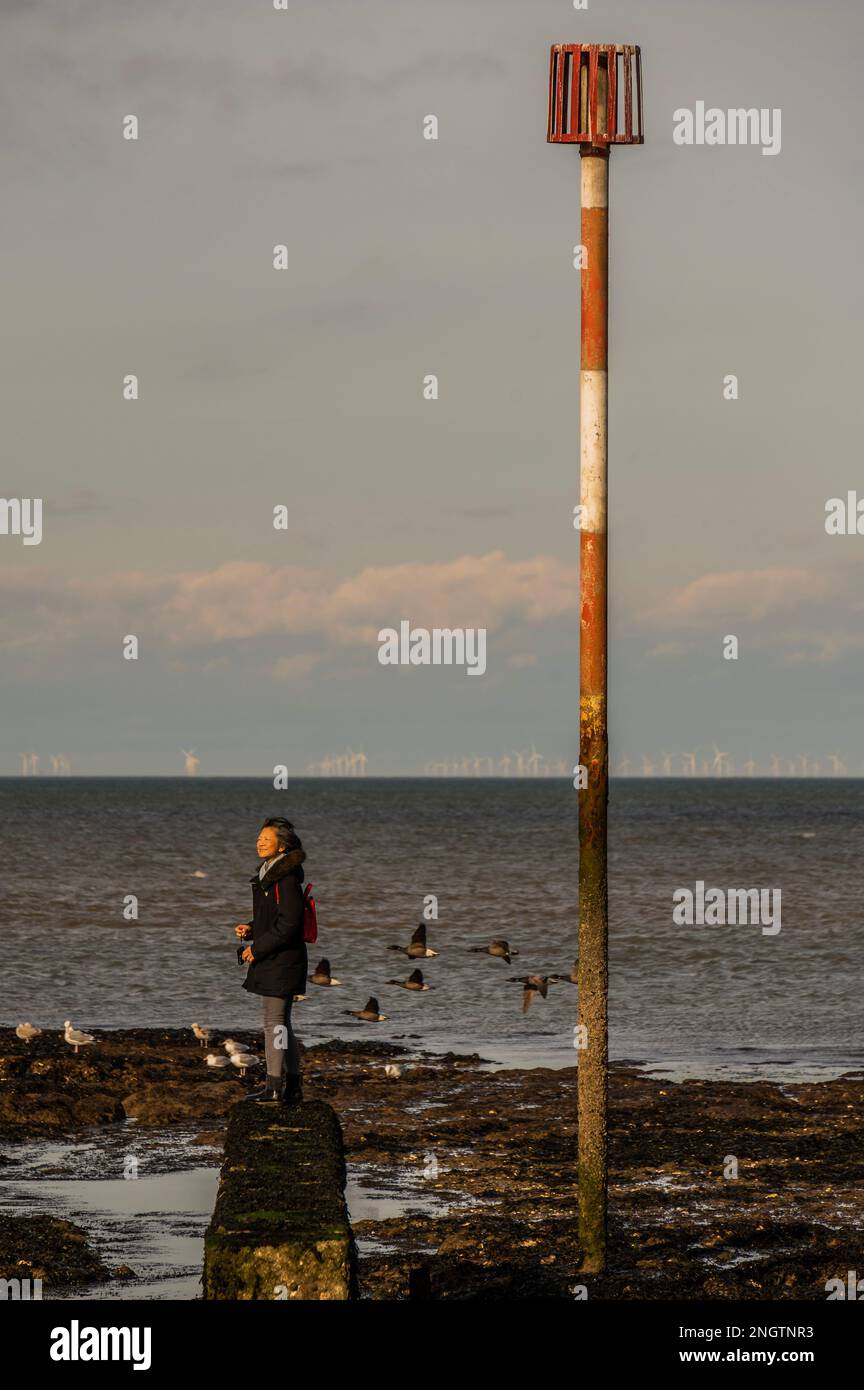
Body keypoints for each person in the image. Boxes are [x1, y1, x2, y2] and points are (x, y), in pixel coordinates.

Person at [234, 816, 307, 1104]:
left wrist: (257, 948)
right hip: (276, 956)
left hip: (282, 959)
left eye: (267, 838)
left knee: (274, 1023)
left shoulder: (285, 878)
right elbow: (275, 917)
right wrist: (252, 927)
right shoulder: (269, 875)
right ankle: (292, 1086)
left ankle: (274, 1087)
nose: (259, 842)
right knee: (281, 1024)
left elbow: (290, 923)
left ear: (282, 846)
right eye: (258, 837)